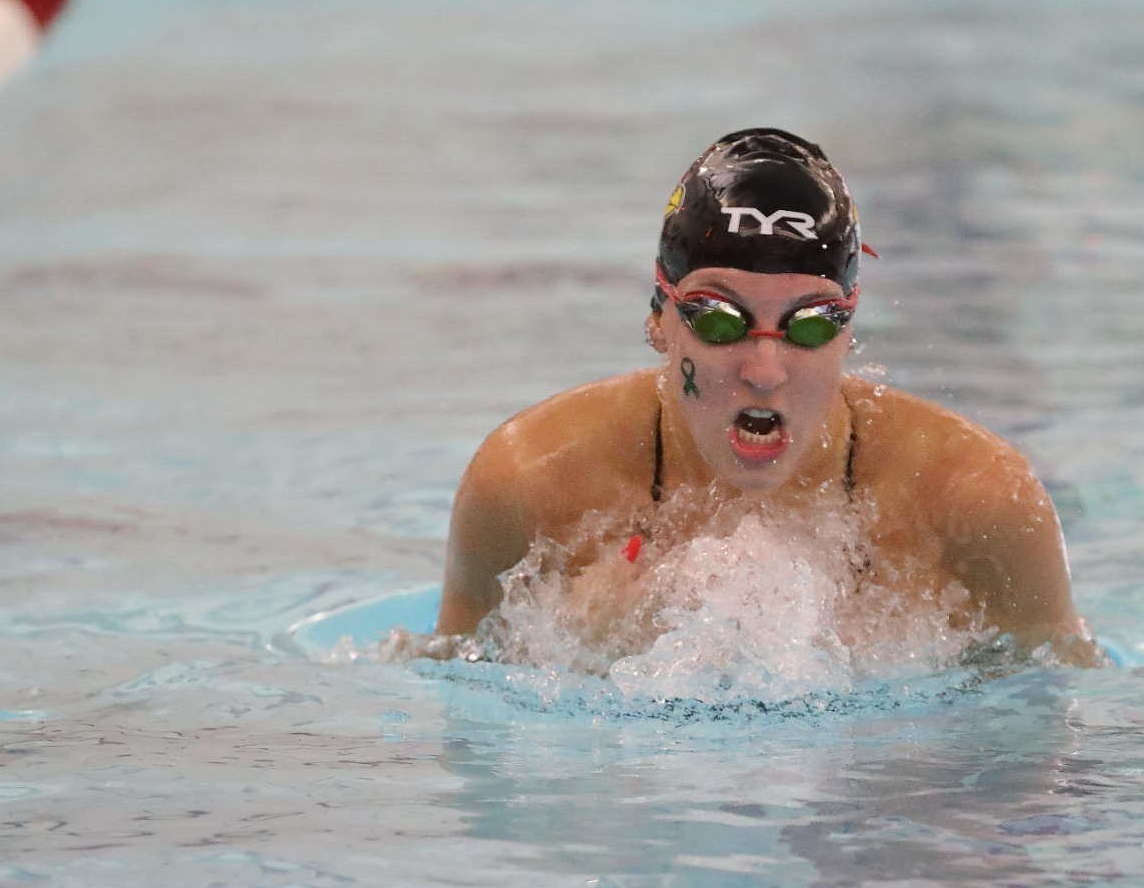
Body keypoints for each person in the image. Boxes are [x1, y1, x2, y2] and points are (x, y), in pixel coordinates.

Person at [437, 127, 1103, 667]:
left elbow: (1054, 736)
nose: (764, 369)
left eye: (809, 324)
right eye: (720, 319)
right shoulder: (529, 483)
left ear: (849, 327)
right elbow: (450, 705)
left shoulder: (977, 501)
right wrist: (570, 651)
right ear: (660, 317)